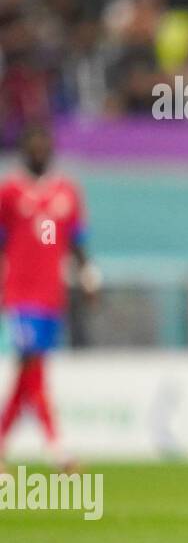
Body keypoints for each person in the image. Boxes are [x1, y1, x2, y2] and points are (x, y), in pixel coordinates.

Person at [0, 126, 98, 473]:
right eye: (33, 146)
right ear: (24, 150)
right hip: (19, 293)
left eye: (45, 146)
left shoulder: (66, 191)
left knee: (30, 373)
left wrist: (88, 278)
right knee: (32, 367)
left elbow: (77, 242)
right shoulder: (9, 192)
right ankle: (59, 452)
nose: (39, 152)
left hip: (50, 295)